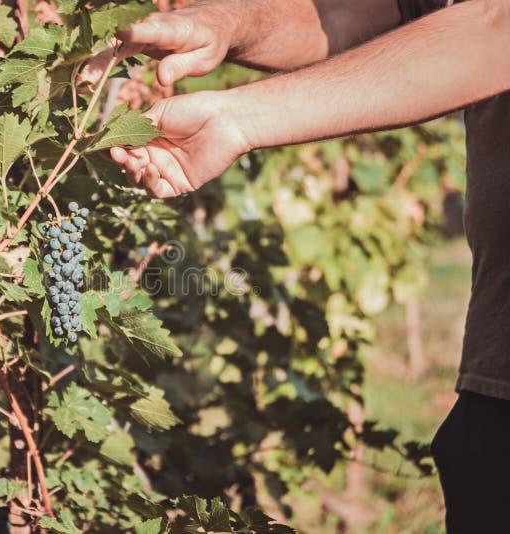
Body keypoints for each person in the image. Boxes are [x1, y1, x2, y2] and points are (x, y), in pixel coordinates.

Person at [110, 1, 510, 532]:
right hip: (493, 388)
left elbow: (496, 28)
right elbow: (369, 13)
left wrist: (237, 119)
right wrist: (229, 24)